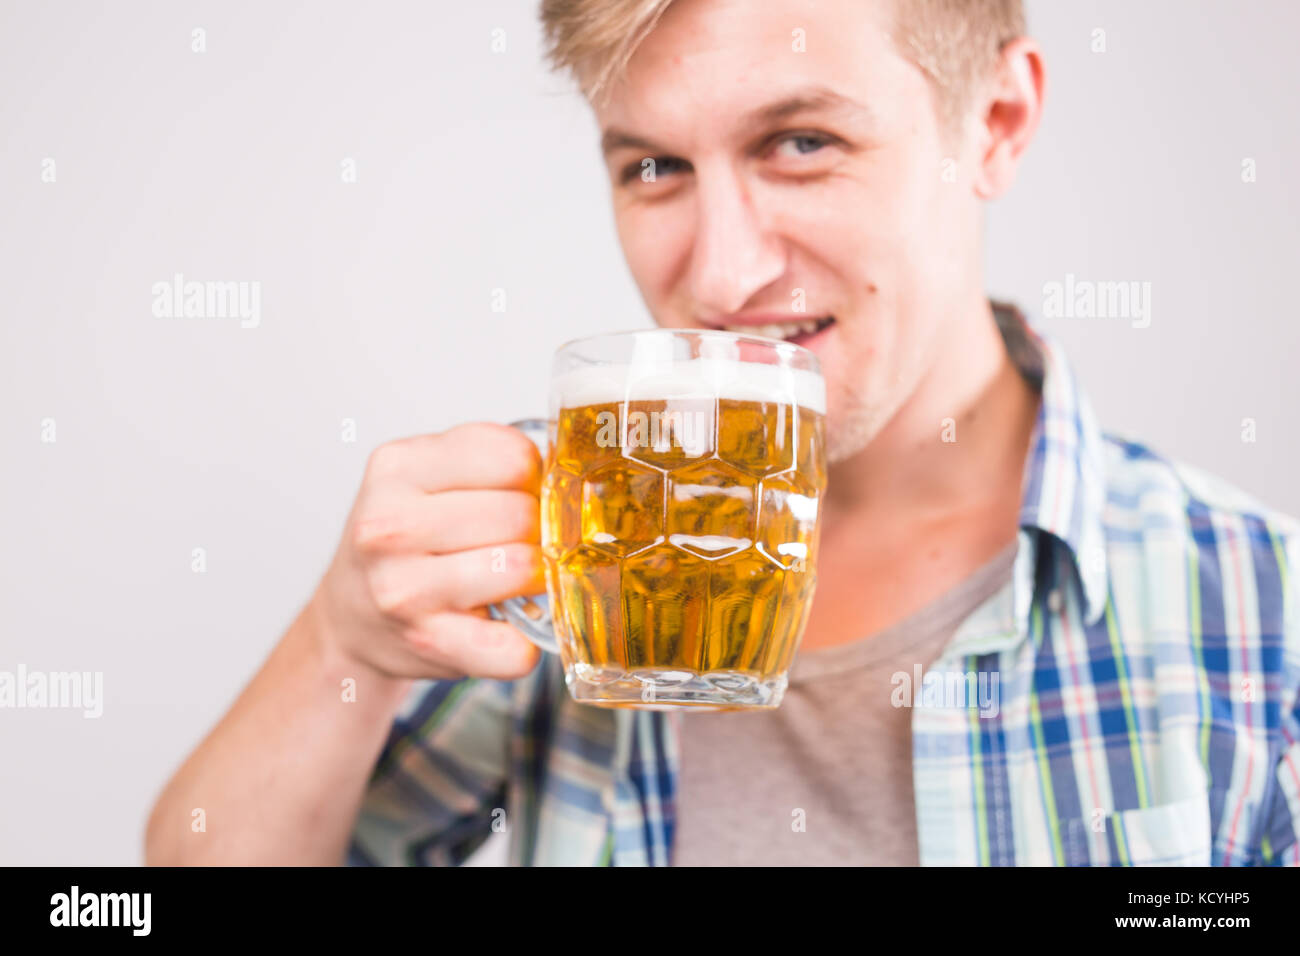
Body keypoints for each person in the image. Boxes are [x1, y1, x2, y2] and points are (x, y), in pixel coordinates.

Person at [144, 0, 1300, 866]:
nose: (724, 272)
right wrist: (342, 643)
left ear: (994, 122)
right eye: (654, 165)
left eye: (800, 143)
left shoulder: (1260, 608)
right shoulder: (572, 553)